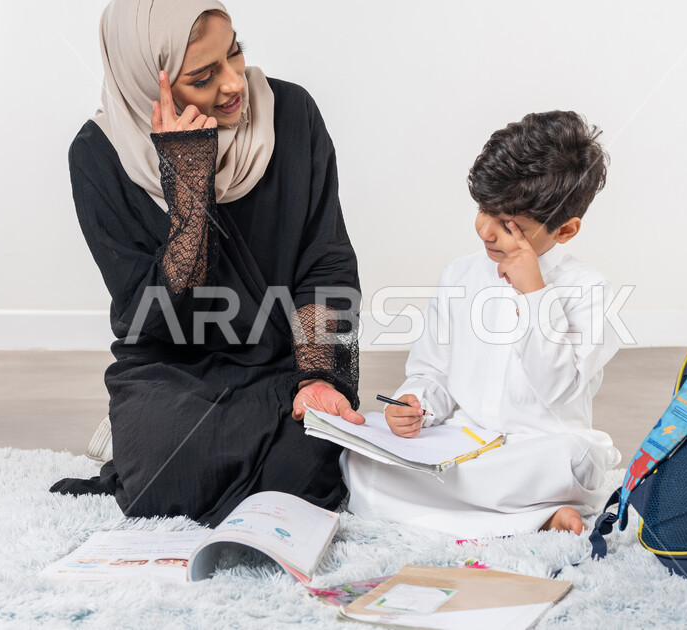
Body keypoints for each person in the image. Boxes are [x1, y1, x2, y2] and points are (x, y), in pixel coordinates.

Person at [50, 0, 364, 526]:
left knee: (310, 477)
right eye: (202, 76)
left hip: (281, 366)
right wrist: (189, 179)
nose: (234, 82)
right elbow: (152, 310)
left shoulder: (291, 114)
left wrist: (317, 378)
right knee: (162, 483)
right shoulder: (97, 154)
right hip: (171, 369)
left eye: (234, 52)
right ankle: (134, 435)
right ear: (150, 85)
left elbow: (325, 265)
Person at [342, 111, 622, 538]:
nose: (486, 231)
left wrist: (533, 293)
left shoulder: (591, 290)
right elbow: (430, 370)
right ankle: (535, 518)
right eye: (484, 210)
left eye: (510, 225)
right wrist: (414, 403)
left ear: (565, 230)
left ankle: (500, 512)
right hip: (462, 444)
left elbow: (557, 388)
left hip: (533, 452)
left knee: (576, 459)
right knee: (359, 461)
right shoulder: (459, 274)